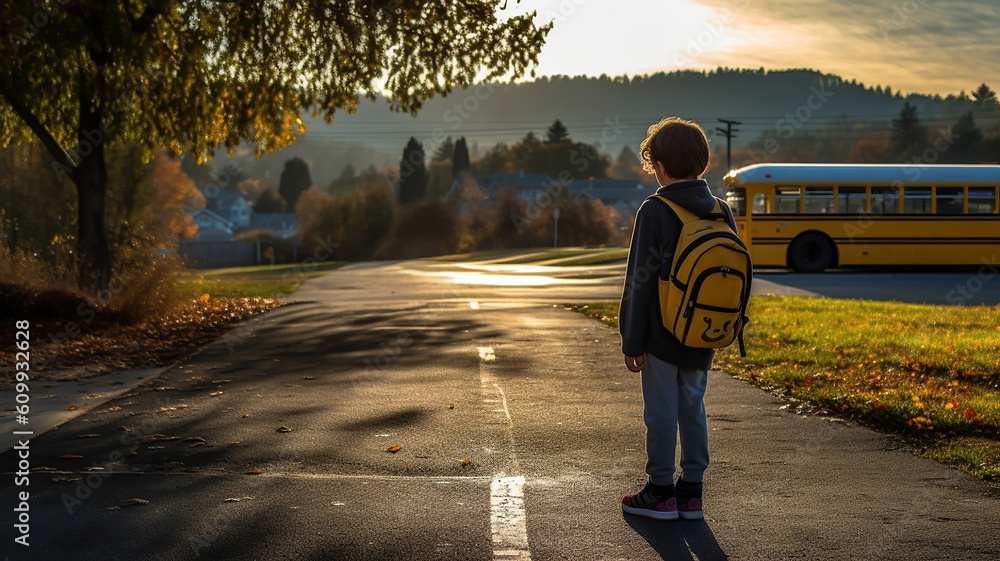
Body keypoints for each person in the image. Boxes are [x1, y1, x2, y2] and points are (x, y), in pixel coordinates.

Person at [618, 116, 738, 521]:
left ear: (660, 165)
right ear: (702, 164)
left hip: (661, 335)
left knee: (661, 412)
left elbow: (639, 283)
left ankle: (660, 492)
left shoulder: (655, 210)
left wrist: (632, 341)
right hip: (705, 332)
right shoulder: (721, 211)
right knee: (693, 407)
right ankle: (692, 493)